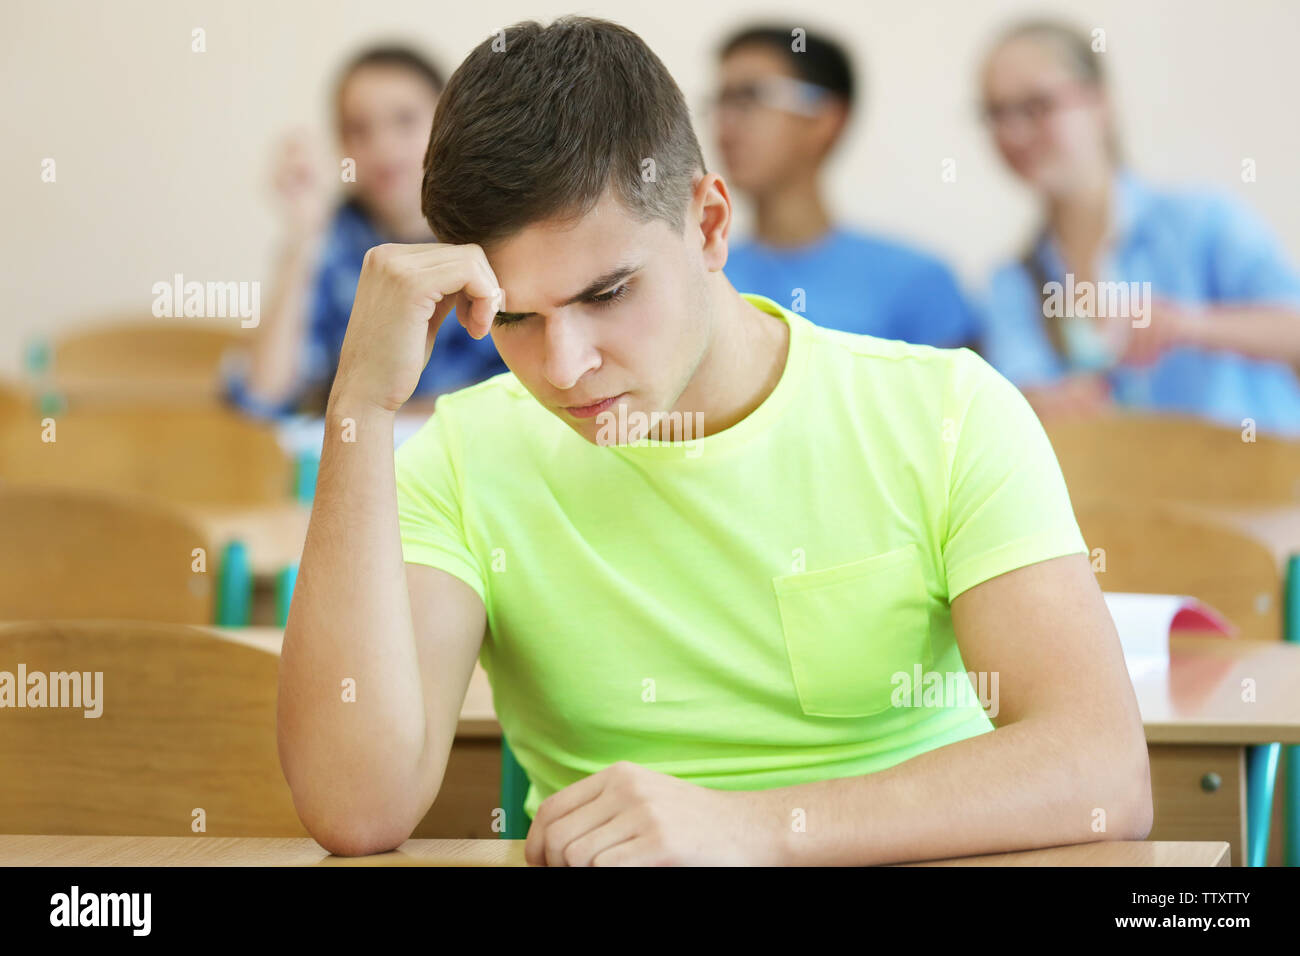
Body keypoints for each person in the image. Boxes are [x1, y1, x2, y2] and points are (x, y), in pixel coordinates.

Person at [277, 16, 1151, 866]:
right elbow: (359, 808)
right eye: (514, 317)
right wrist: (361, 403)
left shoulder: (951, 411)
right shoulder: (465, 459)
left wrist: (754, 830)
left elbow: (1100, 767)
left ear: (708, 224)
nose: (567, 365)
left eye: (607, 293)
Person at [979, 18, 1300, 435]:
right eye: (996, 113)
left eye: (1036, 106)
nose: (1014, 132)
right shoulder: (1011, 284)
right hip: (1119, 497)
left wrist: (1188, 324)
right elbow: (1023, 394)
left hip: (1261, 487)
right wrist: (1047, 405)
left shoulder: (1200, 221)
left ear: (1100, 103)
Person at [225, 45, 507, 419]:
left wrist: (379, 415)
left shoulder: (497, 232)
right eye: (358, 130)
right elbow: (263, 397)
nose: (383, 148)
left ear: (448, 123)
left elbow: (524, 397)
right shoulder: (332, 243)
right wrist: (302, 236)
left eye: (404, 120)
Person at [711, 25, 980, 348]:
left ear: (825, 118)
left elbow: (957, 397)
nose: (725, 125)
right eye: (721, 102)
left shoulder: (918, 282)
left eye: (749, 97)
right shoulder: (706, 279)